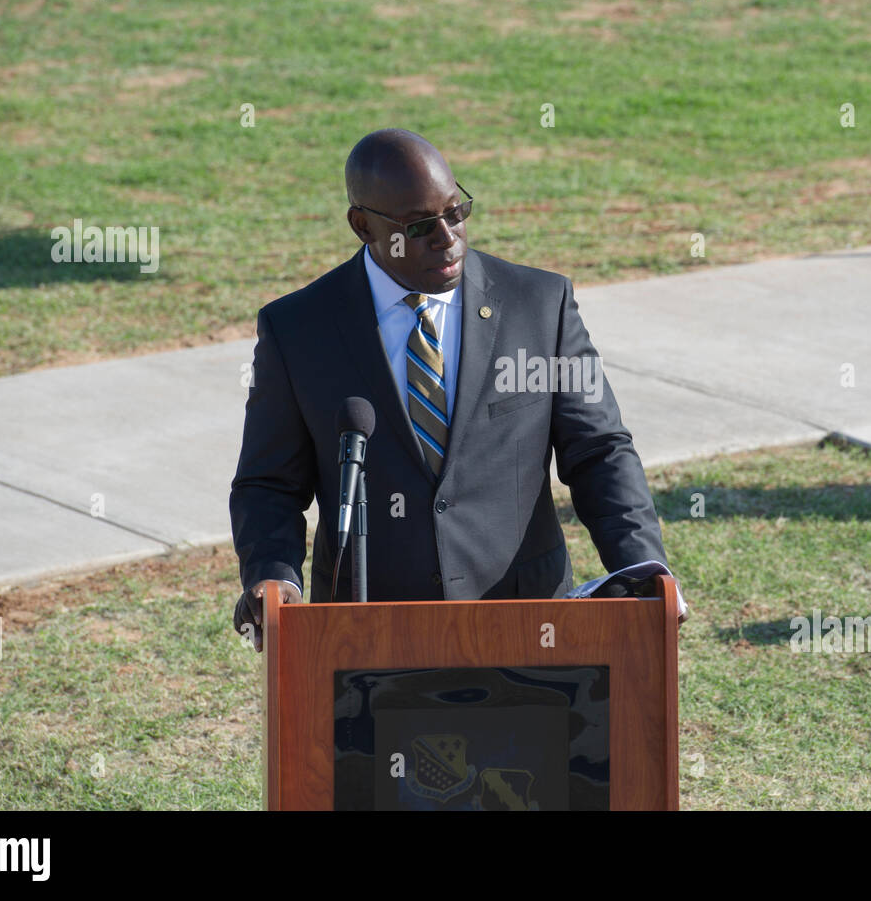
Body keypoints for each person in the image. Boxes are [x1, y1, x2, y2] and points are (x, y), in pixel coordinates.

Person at [231, 128, 669, 649]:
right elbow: (268, 484)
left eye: (456, 212)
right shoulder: (299, 329)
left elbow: (599, 450)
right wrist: (274, 576)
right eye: (419, 226)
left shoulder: (538, 306)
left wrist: (644, 567)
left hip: (526, 624)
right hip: (366, 634)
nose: (447, 237)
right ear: (362, 225)